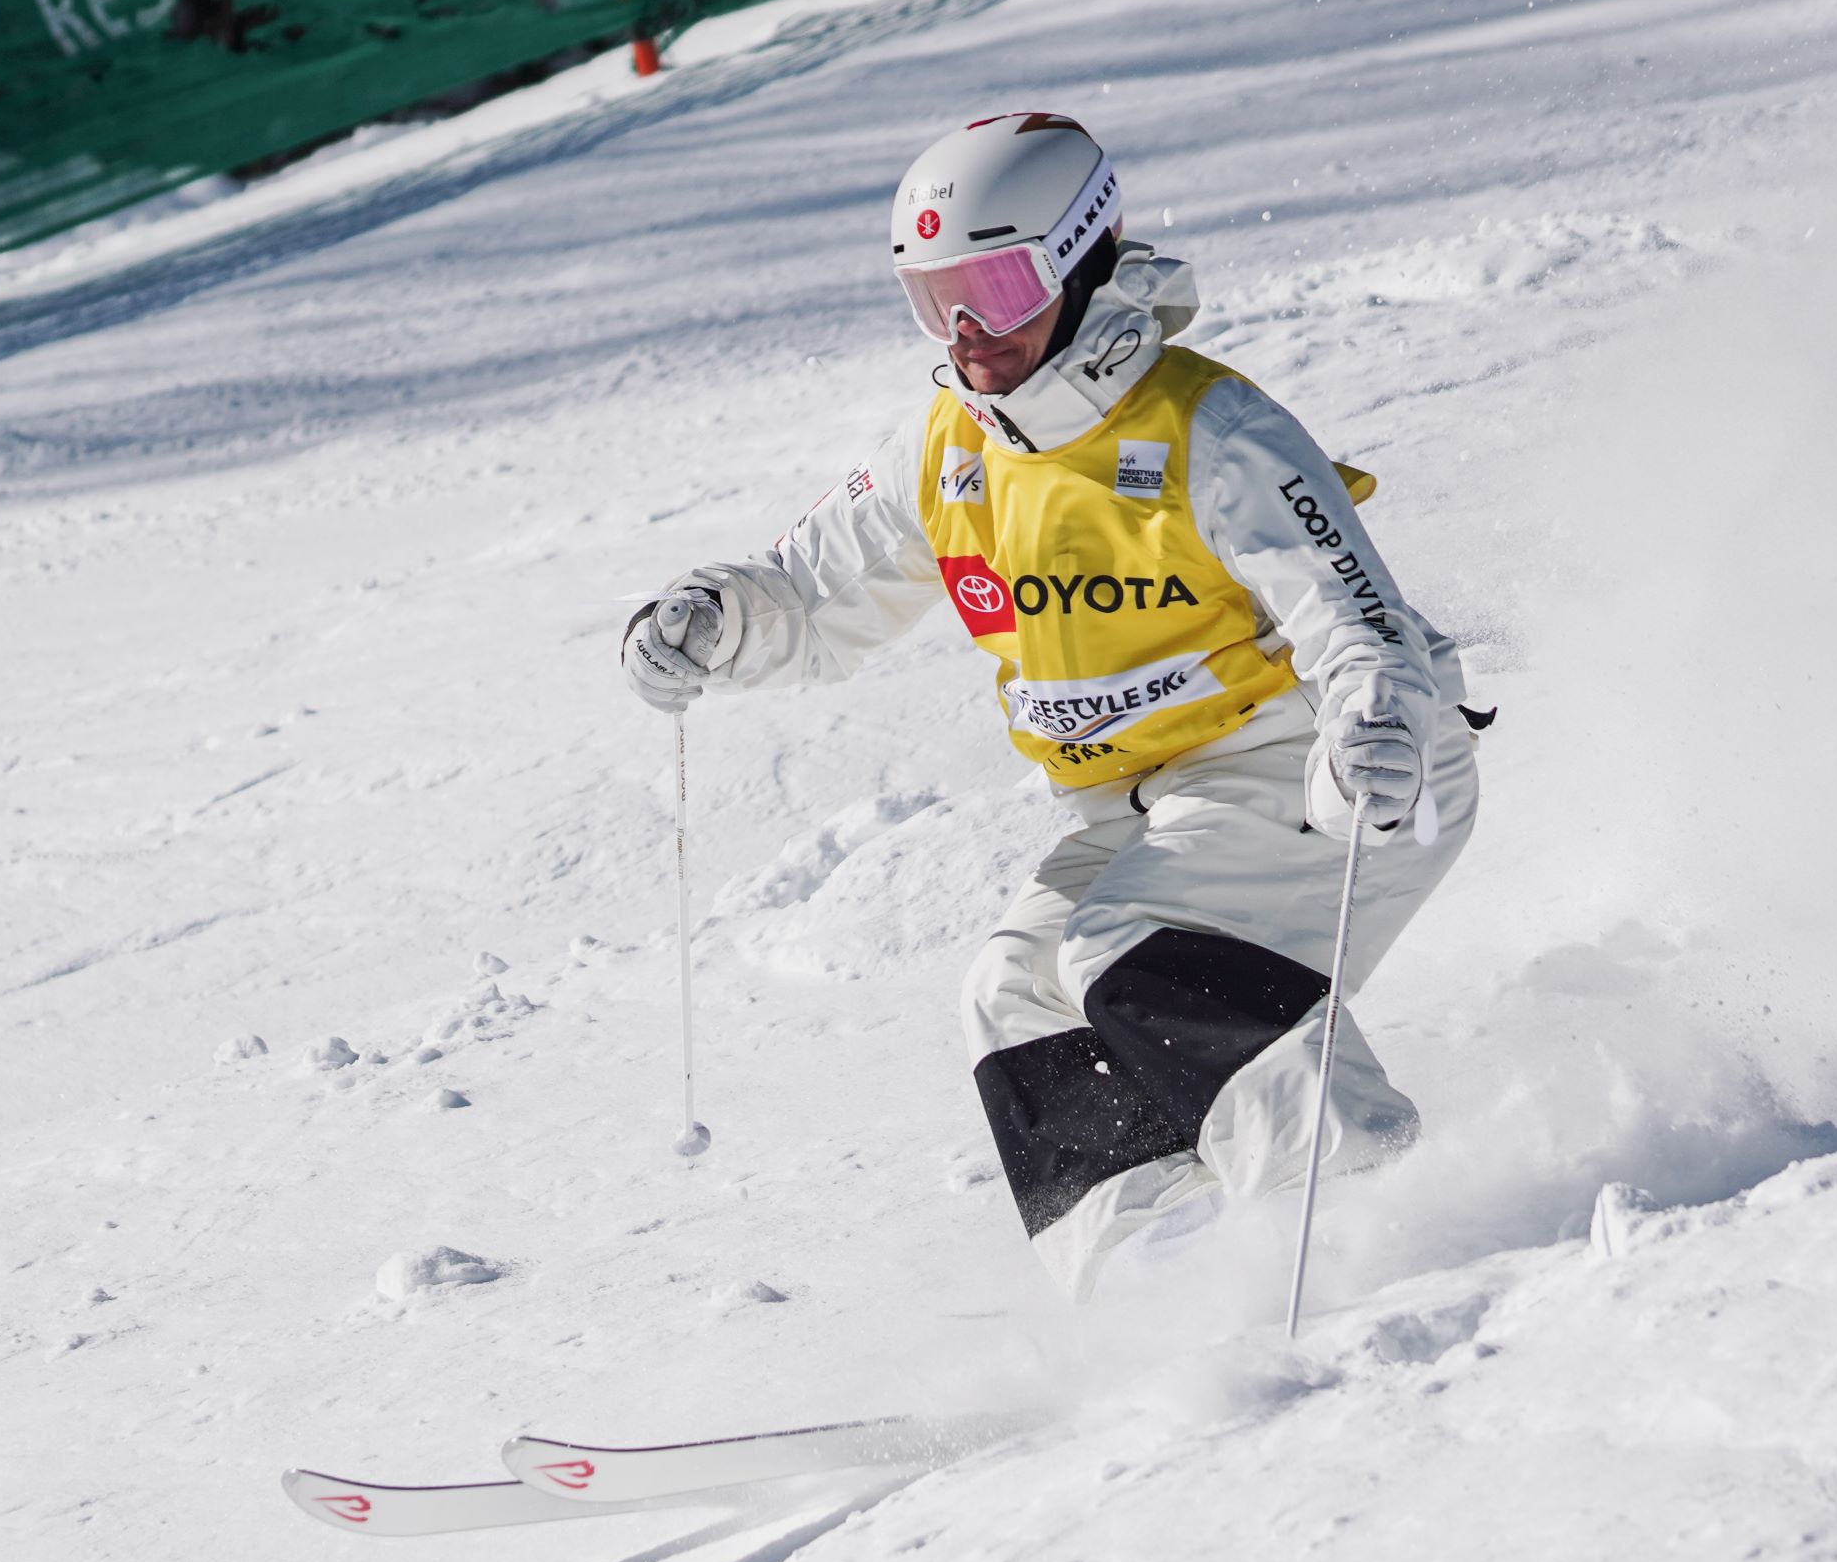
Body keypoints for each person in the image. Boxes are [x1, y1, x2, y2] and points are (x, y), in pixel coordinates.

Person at [618, 110, 1482, 1300]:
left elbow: (1358, 618)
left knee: (1121, 948)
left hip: (1326, 764)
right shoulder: (952, 448)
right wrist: (715, 619)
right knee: (1012, 984)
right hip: (1143, 800)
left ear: (1081, 261)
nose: (967, 335)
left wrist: (1372, 727)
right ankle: (1146, 1273)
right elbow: (815, 594)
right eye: (935, 300)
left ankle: (1362, 1206)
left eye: (994, 287)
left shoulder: (1205, 428)